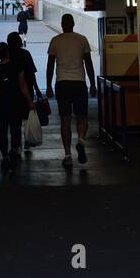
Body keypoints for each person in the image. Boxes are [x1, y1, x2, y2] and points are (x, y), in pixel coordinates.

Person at [45, 13, 97, 167]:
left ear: (62, 24)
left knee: (65, 120)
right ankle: (81, 139)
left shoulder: (55, 40)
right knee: (82, 117)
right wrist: (93, 83)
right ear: (73, 24)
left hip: (62, 84)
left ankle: (67, 156)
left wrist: (48, 85)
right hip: (79, 83)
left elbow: (50, 65)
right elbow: (88, 63)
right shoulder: (82, 39)